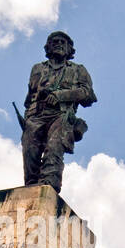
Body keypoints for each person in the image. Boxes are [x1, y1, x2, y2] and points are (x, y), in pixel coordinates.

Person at [18, 31, 96, 193]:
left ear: (69, 49)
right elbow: (30, 96)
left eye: (63, 42)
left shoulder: (78, 70)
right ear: (48, 47)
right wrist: (27, 117)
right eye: (54, 42)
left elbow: (88, 94)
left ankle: (48, 185)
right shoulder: (37, 69)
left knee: (54, 149)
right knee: (29, 152)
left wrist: (60, 96)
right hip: (36, 116)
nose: (59, 44)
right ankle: (30, 188)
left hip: (60, 116)